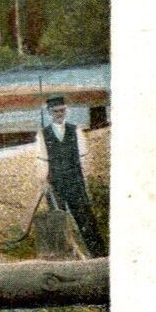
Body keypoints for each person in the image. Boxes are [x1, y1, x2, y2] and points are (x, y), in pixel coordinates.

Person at [38, 95, 104, 256]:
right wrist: (43, 182)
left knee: (85, 219)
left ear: (66, 110)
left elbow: (84, 158)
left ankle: (99, 254)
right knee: (57, 221)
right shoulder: (42, 134)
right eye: (55, 111)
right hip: (55, 184)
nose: (59, 114)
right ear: (49, 112)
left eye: (62, 110)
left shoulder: (76, 130)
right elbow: (41, 160)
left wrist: (85, 179)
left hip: (75, 182)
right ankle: (61, 256)